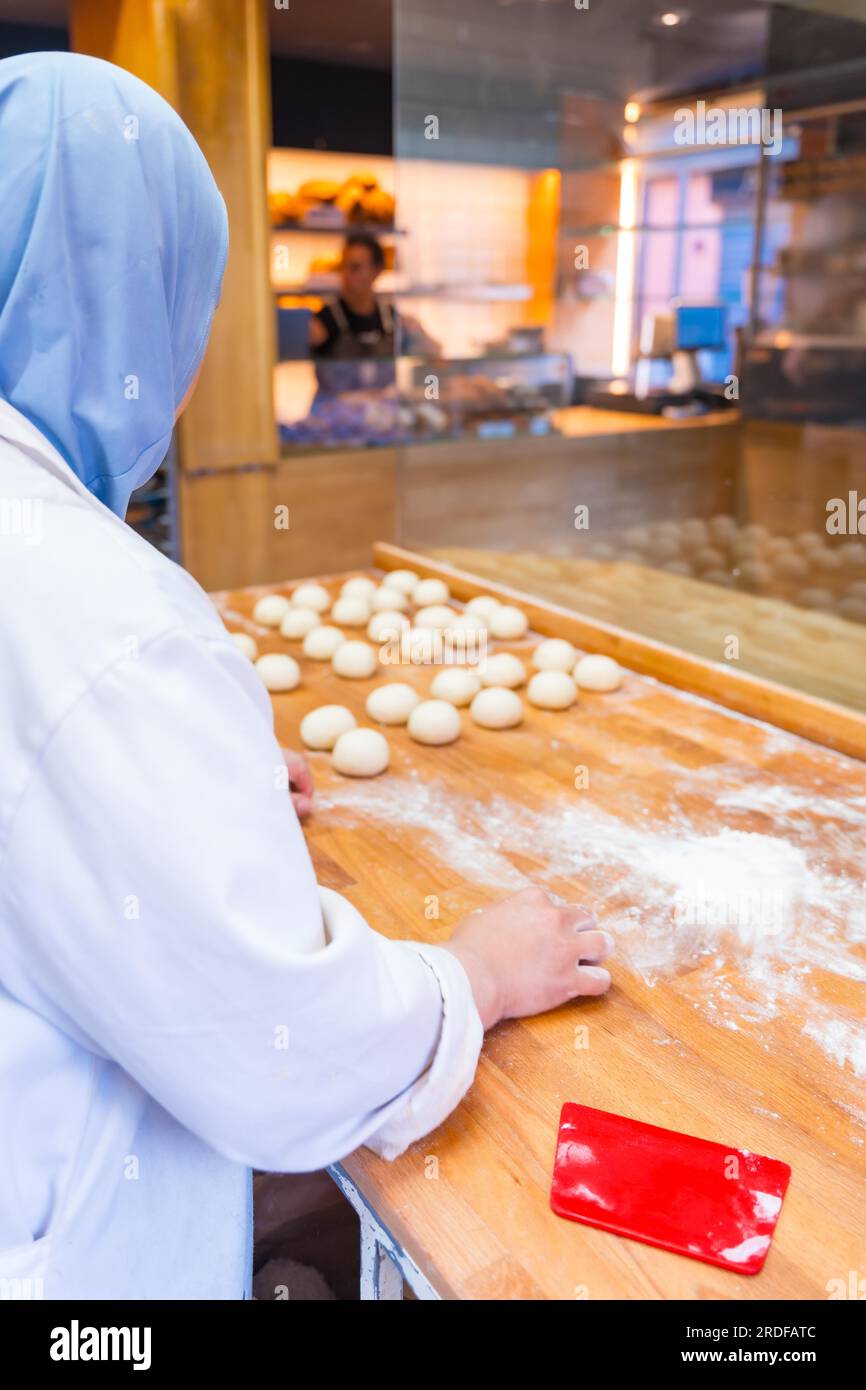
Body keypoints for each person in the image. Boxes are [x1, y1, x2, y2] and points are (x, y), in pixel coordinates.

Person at [0, 52, 613, 1301]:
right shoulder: (87, 603)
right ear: (133, 309)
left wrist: (172, 796)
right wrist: (476, 973)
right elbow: (281, 1057)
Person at [309, 232, 440, 401]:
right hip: (333, 422)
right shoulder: (324, 320)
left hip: (380, 418)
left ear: (376, 271)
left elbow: (435, 357)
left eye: (355, 268)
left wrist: (417, 331)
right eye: (343, 267)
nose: (347, 276)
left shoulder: (391, 318)